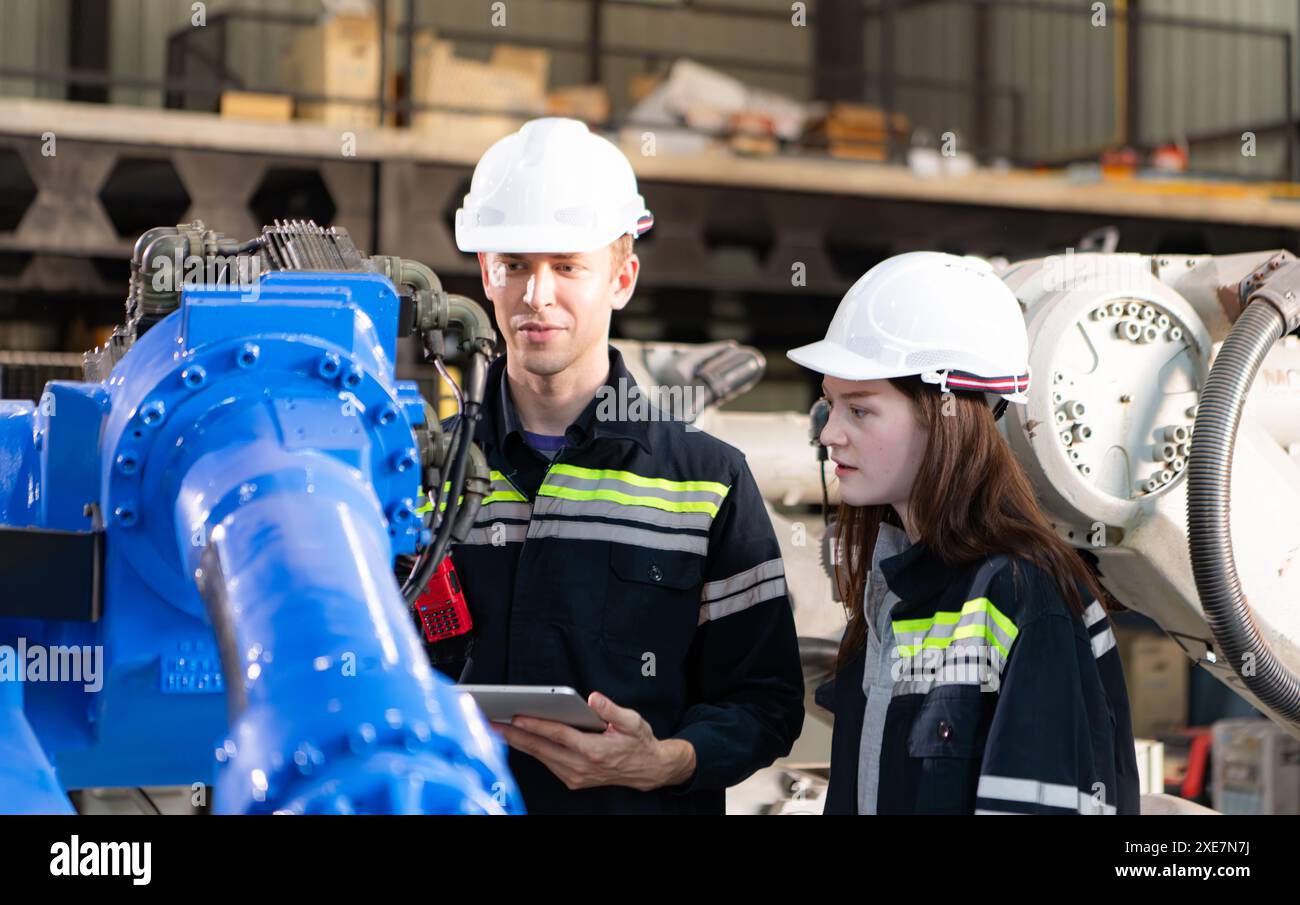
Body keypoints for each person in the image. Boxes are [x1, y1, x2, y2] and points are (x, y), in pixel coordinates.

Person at [423, 117, 804, 814]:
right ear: (485, 274)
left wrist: (663, 761)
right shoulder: (423, 472)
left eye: (567, 266)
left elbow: (767, 701)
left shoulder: (706, 481)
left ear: (622, 278)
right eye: (514, 265)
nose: (537, 296)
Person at [787, 251, 1139, 815]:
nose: (829, 433)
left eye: (860, 410)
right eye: (830, 406)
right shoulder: (891, 597)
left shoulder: (1026, 597)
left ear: (944, 414)